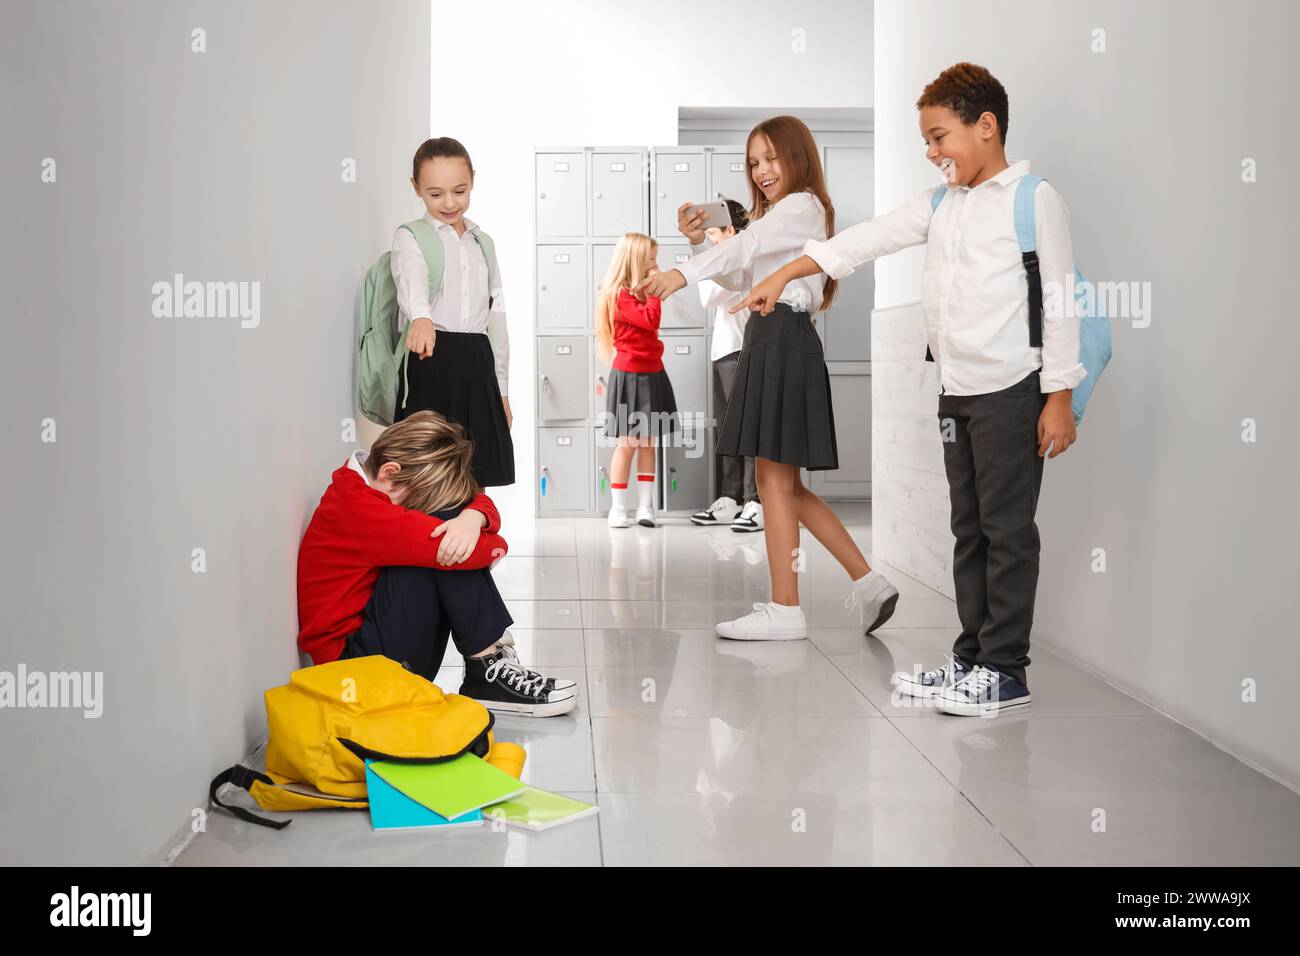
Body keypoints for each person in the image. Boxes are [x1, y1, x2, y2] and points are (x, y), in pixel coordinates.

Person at [733, 64, 1085, 715]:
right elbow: (864, 241)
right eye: (925, 140)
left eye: (938, 136)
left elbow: (1061, 301)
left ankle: (1006, 669)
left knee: (1007, 531)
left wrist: (1059, 395)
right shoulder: (940, 203)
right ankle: (971, 659)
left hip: (1013, 390)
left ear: (987, 127)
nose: (931, 152)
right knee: (969, 528)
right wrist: (787, 273)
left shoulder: (1032, 198)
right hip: (957, 391)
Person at [638, 115, 900, 642]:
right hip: (770, 338)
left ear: (798, 157)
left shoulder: (802, 206)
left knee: (773, 480)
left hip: (780, 338)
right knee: (781, 483)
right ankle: (867, 582)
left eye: (771, 158)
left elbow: (743, 248)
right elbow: (739, 275)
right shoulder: (782, 215)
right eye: (754, 162)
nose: (761, 171)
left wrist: (680, 273)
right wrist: (696, 249)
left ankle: (786, 609)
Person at [296, 411, 578, 717]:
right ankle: (485, 670)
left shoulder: (366, 483)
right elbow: (481, 549)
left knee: (447, 528)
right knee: (444, 537)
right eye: (414, 499)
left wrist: (474, 516)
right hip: (354, 670)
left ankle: (486, 667)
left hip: (375, 651)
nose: (411, 509)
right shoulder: (358, 507)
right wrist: (487, 536)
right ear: (389, 473)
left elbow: (469, 505)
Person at [391, 137, 514, 487]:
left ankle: (469, 538)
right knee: (427, 472)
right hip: (431, 357)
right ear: (416, 188)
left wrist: (502, 391)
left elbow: (497, 319)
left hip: (478, 361)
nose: (449, 203)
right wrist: (421, 317)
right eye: (435, 194)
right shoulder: (410, 236)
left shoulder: (482, 242)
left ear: (473, 179)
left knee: (476, 471)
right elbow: (411, 276)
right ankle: (426, 541)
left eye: (459, 191)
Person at [688, 198, 764, 534]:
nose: (711, 241)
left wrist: (710, 255)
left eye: (714, 234)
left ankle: (755, 501)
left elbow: (707, 297)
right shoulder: (725, 260)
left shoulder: (743, 259)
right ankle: (730, 498)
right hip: (724, 353)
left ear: (731, 231)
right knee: (728, 431)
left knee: (748, 430)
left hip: (743, 352)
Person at [596, 232, 679, 528]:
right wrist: (656, 291)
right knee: (628, 443)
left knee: (648, 442)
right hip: (629, 375)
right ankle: (618, 508)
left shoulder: (641, 291)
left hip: (653, 372)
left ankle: (646, 506)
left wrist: (652, 289)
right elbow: (650, 320)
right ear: (635, 261)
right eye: (651, 260)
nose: (656, 265)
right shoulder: (619, 294)